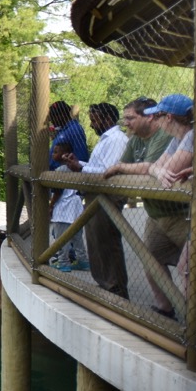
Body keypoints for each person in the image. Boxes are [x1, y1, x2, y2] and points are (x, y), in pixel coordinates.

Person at [59, 102, 129, 297]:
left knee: (106, 241)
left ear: (107, 119)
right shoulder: (106, 139)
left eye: (95, 121)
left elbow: (108, 172)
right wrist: (78, 163)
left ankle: (116, 289)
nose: (91, 125)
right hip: (96, 196)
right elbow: (97, 166)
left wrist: (81, 168)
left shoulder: (116, 139)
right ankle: (104, 284)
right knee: (95, 241)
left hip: (107, 196)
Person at [136, 95, 196, 318]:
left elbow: (167, 172)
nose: (155, 121)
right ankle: (170, 310)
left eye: (157, 116)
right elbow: (157, 169)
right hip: (179, 211)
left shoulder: (192, 135)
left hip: (193, 213)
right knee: (157, 258)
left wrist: (156, 170)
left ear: (168, 117)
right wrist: (155, 170)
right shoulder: (177, 139)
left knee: (194, 269)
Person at [49, 142, 88, 271]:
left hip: (63, 208)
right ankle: (83, 261)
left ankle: (63, 262)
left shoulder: (59, 171)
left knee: (61, 238)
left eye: (55, 151)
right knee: (77, 236)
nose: (53, 153)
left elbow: (58, 191)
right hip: (76, 206)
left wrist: (51, 205)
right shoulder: (79, 165)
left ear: (64, 154)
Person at [48, 100, 88, 170]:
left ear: (61, 115)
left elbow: (82, 158)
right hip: (54, 173)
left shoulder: (75, 129)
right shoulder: (62, 129)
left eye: (52, 116)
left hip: (64, 174)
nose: (51, 120)